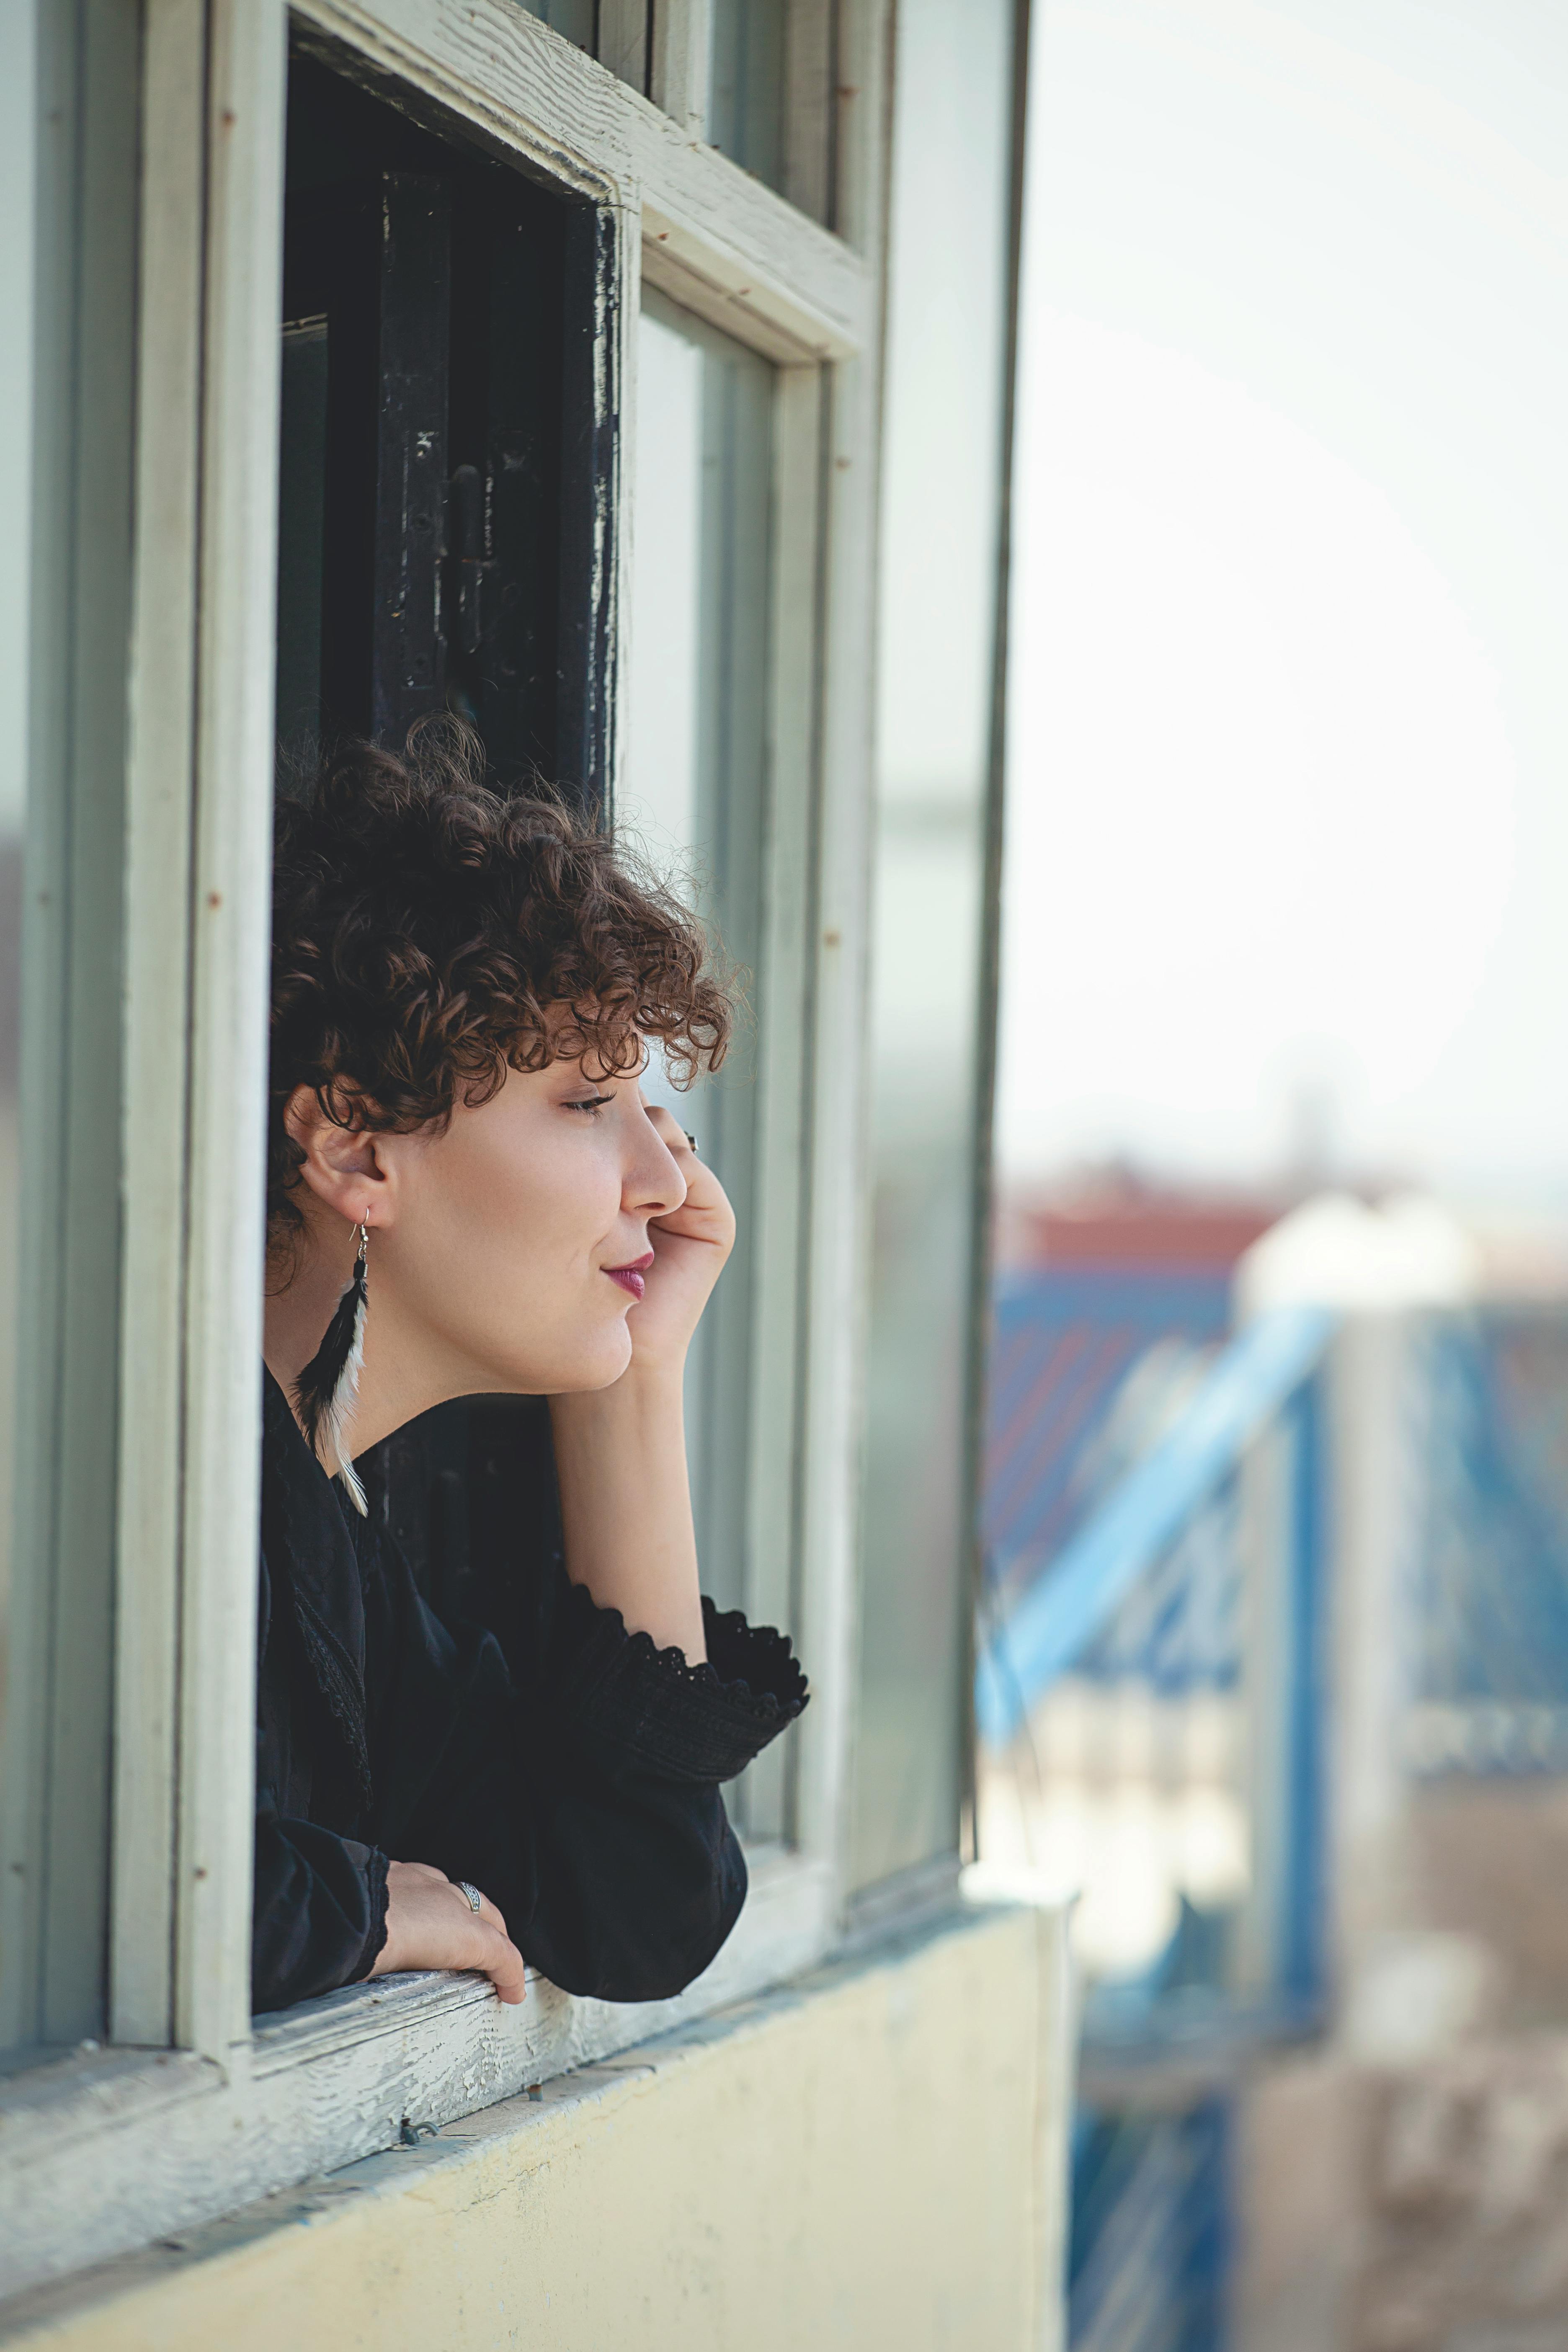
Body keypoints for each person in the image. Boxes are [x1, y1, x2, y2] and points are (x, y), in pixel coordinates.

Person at [254, 730, 807, 2014]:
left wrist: (629, 1379)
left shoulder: (320, 1544)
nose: (670, 1181)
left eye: (646, 1109)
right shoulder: (137, 1486)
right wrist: (335, 1902)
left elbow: (633, 1909)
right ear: (357, 1151)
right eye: (583, 1103)